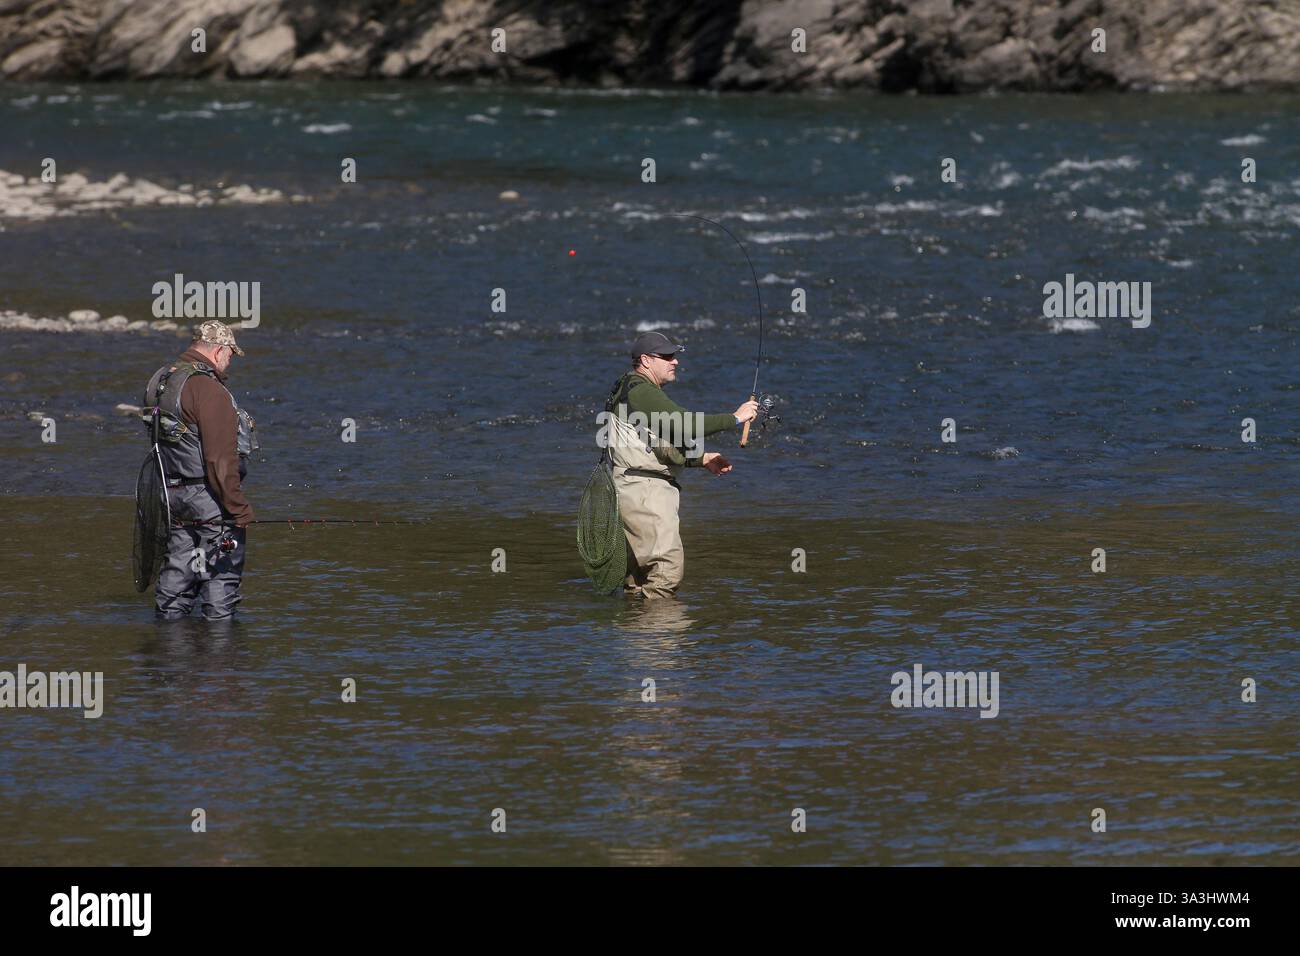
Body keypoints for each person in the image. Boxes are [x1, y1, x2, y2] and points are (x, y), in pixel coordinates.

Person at [602, 330, 759, 599]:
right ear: (646, 360)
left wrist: (701, 458)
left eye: (674, 356)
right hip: (644, 491)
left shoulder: (633, 388)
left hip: (632, 488)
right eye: (666, 356)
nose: (675, 361)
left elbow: (655, 441)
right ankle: (660, 635)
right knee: (666, 571)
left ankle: (635, 633)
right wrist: (735, 418)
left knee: (639, 576)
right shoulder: (641, 391)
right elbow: (684, 423)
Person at [142, 320, 257, 620]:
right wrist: (239, 510)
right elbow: (220, 460)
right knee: (221, 578)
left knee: (178, 575)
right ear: (218, 351)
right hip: (209, 500)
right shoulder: (208, 390)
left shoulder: (160, 381)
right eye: (231, 355)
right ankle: (220, 656)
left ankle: (167, 651)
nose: (229, 363)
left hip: (170, 496)